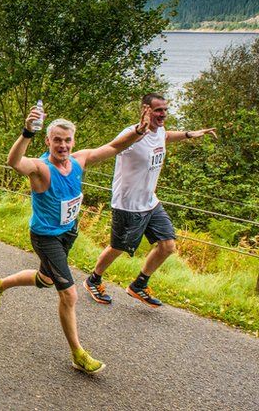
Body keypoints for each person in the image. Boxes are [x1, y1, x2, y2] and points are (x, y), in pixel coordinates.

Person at [0, 105, 150, 374]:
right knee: (69, 294)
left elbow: (114, 147)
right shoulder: (41, 168)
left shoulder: (79, 161)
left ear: (73, 141)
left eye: (67, 140)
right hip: (46, 237)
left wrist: (138, 131)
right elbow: (14, 162)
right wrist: (27, 132)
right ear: (48, 141)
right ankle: (78, 354)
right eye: (57, 140)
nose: (63, 145)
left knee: (45, 279)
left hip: (68, 233)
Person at [83, 94, 217, 307]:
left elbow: (166, 136)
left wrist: (189, 134)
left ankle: (139, 285)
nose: (163, 114)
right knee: (118, 247)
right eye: (158, 110)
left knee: (167, 245)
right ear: (146, 109)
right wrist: (139, 130)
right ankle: (93, 279)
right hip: (127, 204)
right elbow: (113, 147)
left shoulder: (160, 130)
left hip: (150, 202)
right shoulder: (131, 134)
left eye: (165, 110)